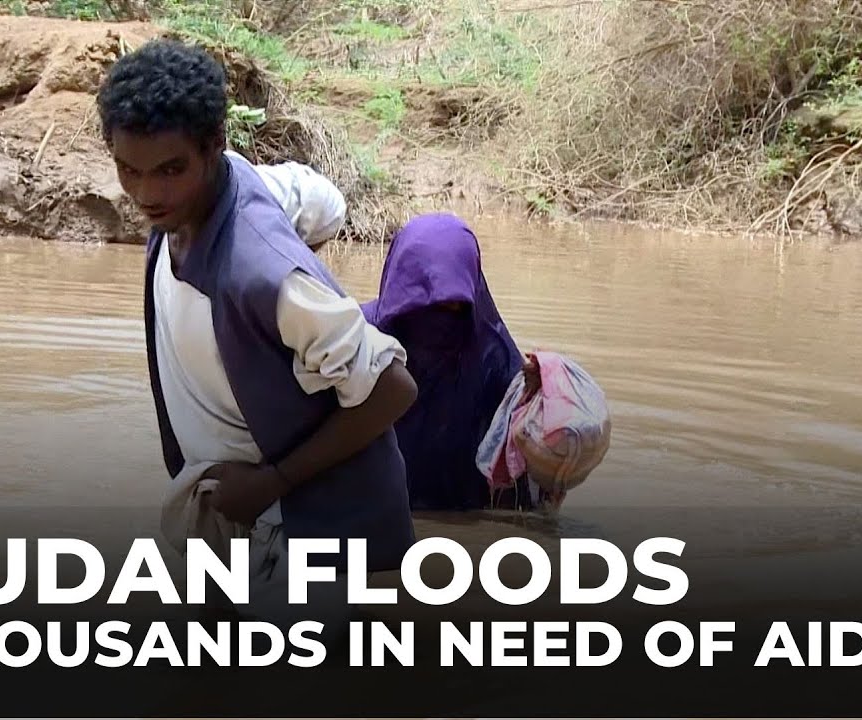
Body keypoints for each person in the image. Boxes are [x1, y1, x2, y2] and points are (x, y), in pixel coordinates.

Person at [96, 40, 418, 590]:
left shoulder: (264, 275)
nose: (147, 193)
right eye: (129, 170)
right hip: (244, 510)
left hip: (311, 529)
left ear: (214, 146)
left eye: (170, 169)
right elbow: (320, 204)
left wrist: (273, 480)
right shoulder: (201, 201)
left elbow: (393, 388)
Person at [361, 213, 540, 511]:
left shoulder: (493, 356)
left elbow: (532, 456)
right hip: (372, 505)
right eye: (421, 306)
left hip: (462, 509)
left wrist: (536, 395)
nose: (437, 321)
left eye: (453, 306)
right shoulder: (357, 336)